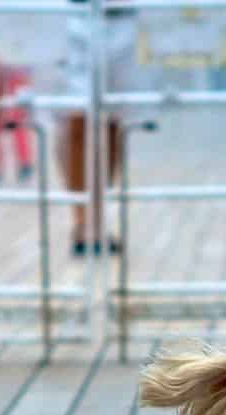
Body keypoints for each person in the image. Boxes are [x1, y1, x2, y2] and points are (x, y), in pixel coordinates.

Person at [58, 0, 137, 255]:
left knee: (113, 120)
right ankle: (82, 220)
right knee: (76, 118)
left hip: (124, 14)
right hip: (72, 13)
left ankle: (98, 218)